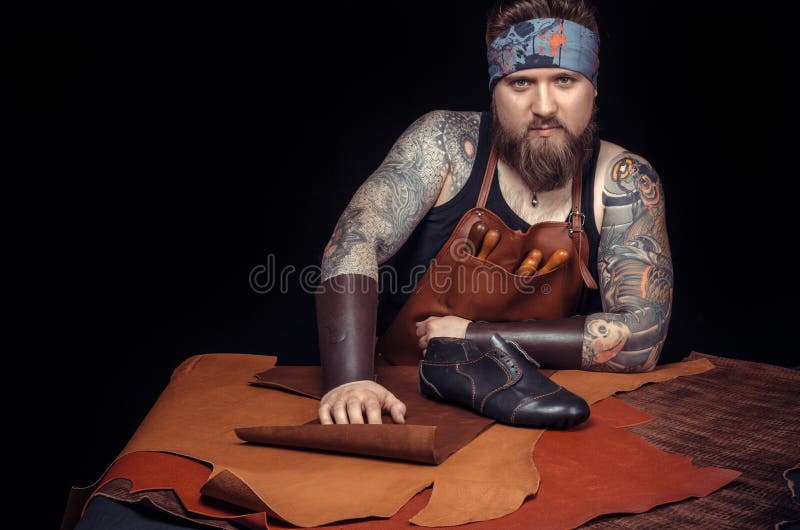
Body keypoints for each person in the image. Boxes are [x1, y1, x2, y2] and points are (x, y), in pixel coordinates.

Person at [315, 0, 672, 425]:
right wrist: (351, 381)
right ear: (494, 90)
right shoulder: (444, 144)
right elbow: (353, 242)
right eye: (521, 83)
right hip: (401, 403)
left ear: (593, 87)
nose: (544, 106)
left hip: (534, 403)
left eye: (563, 79)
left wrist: (473, 336)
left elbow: (642, 338)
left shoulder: (624, 180)